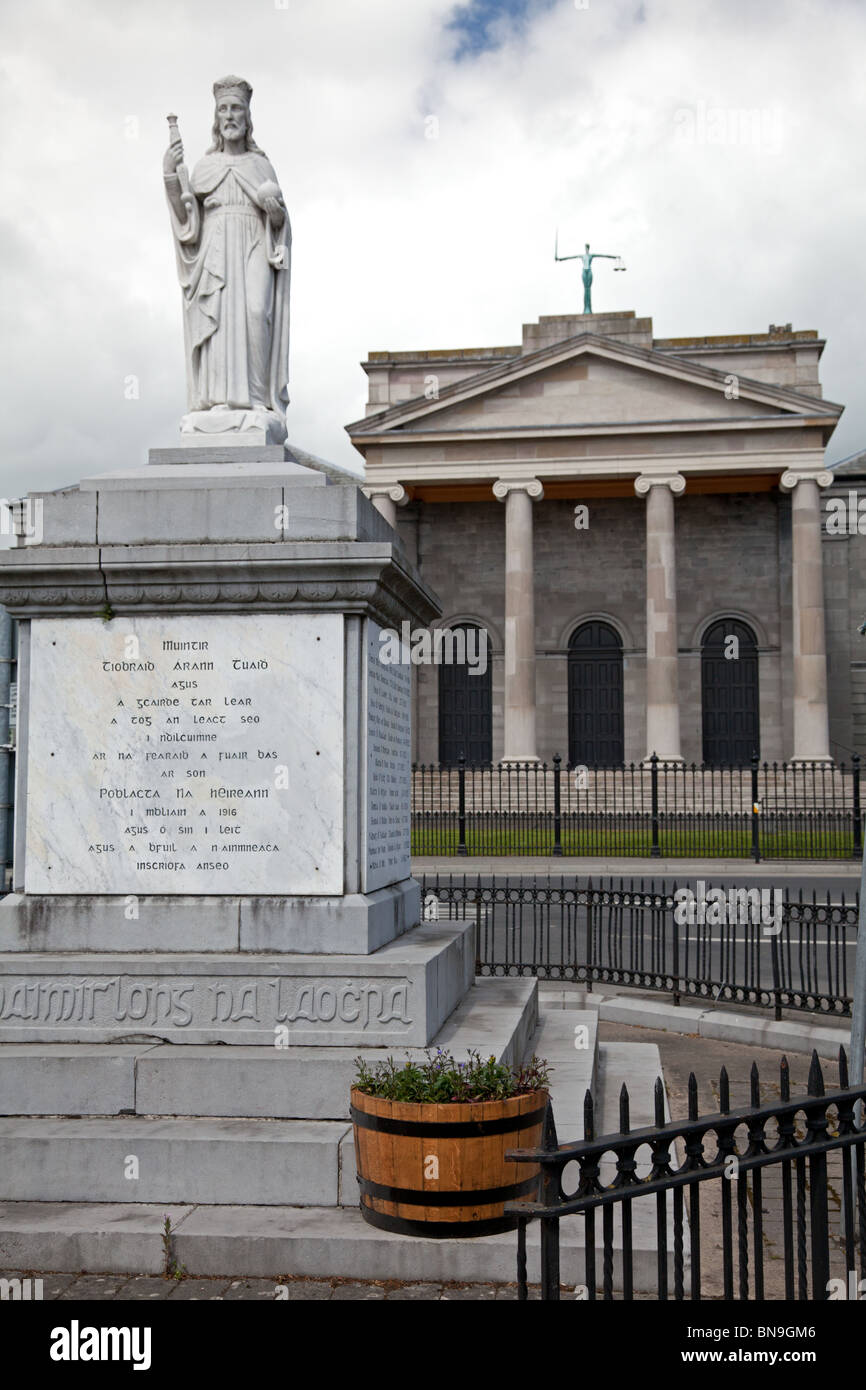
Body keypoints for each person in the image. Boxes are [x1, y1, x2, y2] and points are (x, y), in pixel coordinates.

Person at [163, 76, 291, 442]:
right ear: (216, 119)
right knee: (218, 319)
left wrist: (275, 212)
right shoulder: (204, 168)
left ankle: (256, 401)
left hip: (254, 242)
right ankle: (218, 401)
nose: (230, 115)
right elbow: (187, 222)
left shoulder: (260, 166)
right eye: (223, 109)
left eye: (237, 109)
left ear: (247, 117)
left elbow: (281, 226)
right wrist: (170, 174)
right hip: (216, 249)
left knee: (255, 313)